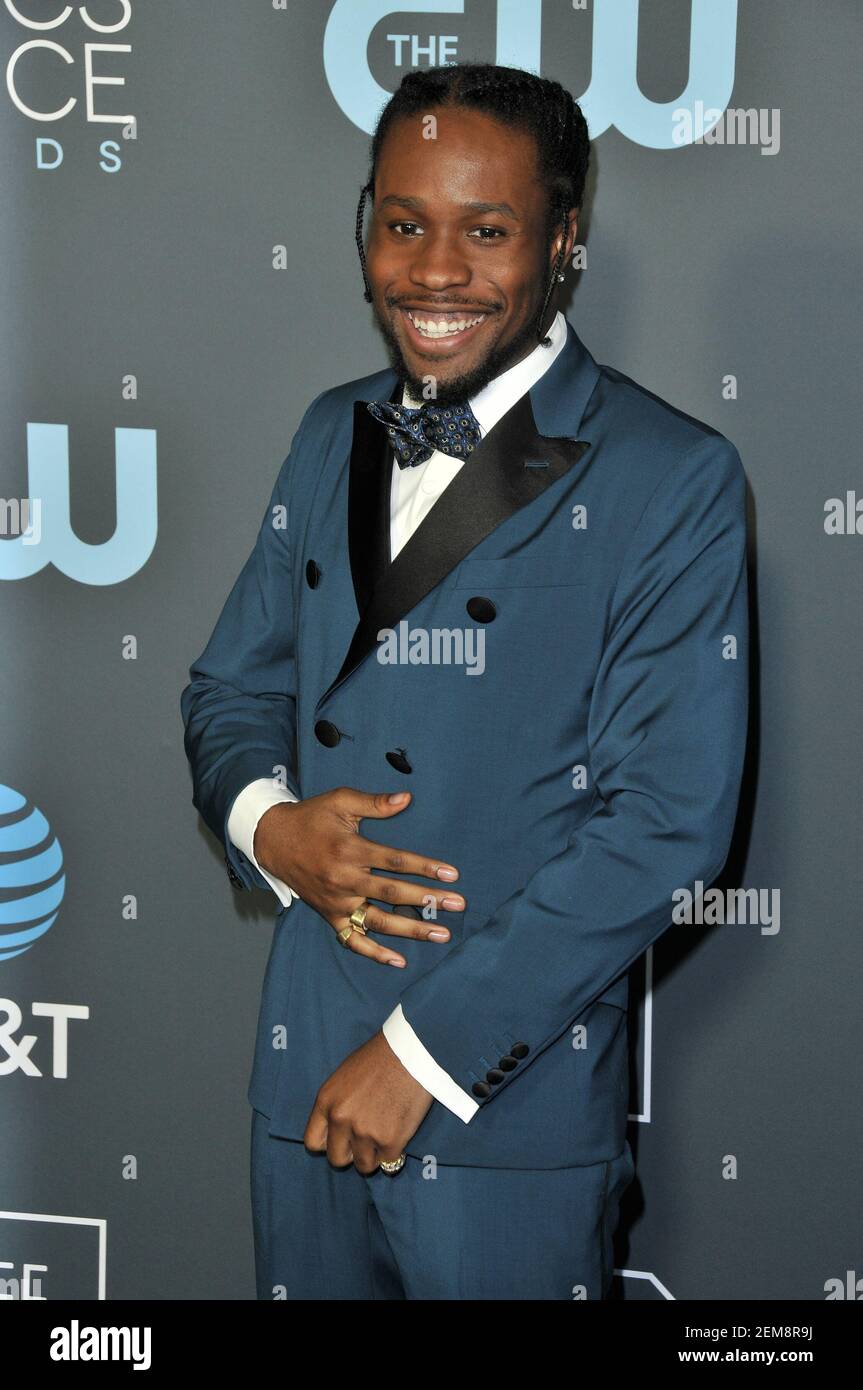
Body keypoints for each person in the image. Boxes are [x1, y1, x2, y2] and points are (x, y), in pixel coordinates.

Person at [180, 63, 748, 1301]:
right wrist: (270, 829)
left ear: (560, 241)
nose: (434, 272)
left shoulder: (672, 476)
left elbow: (665, 826)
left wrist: (420, 1055)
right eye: (402, 224)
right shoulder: (329, 429)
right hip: (303, 1075)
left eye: (485, 231)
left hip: (503, 1109)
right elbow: (227, 688)